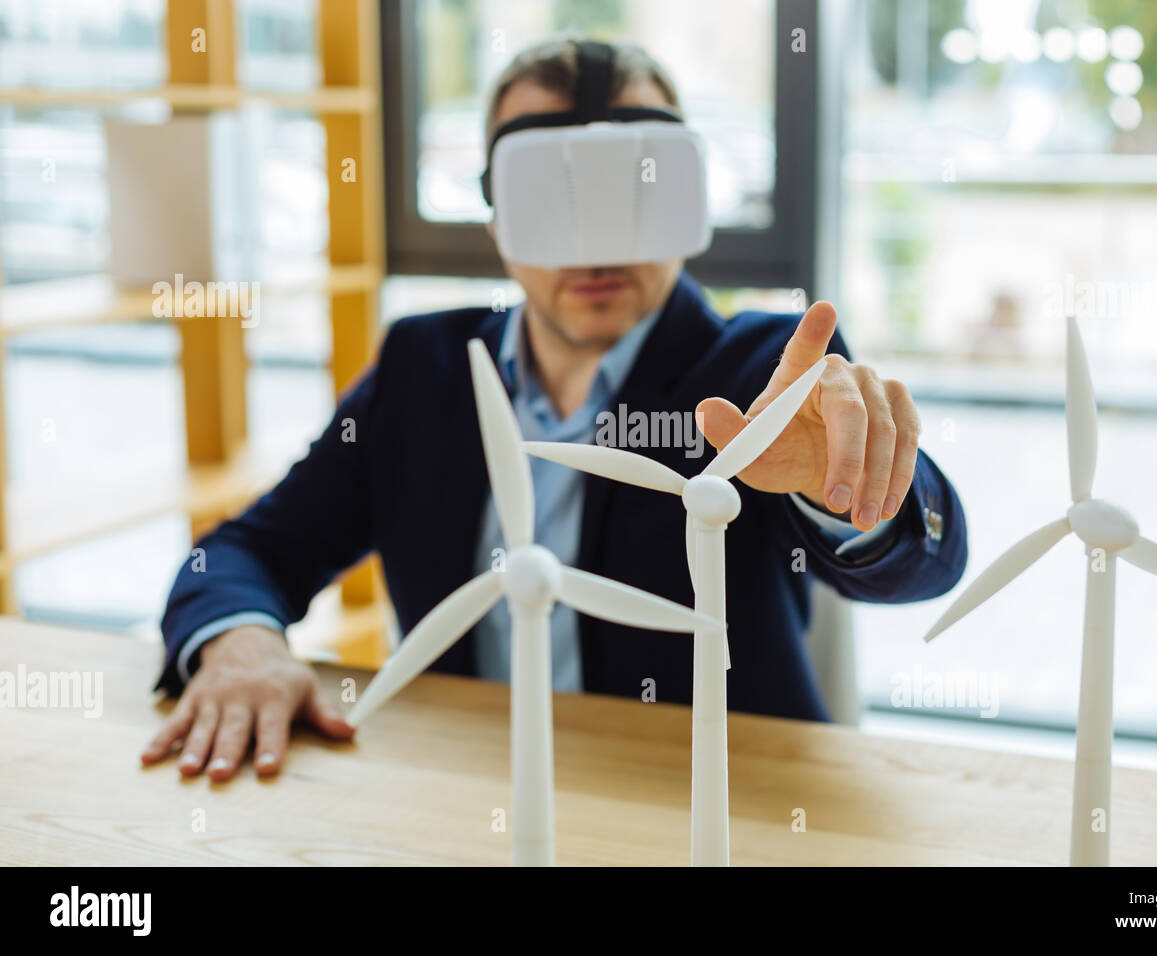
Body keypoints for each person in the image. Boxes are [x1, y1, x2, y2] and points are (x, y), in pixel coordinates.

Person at [142, 38, 967, 782]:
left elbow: (923, 558)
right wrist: (240, 641)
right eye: (551, 189)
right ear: (497, 209)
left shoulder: (766, 371)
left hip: (716, 811)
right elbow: (248, 551)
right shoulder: (424, 368)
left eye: (631, 181)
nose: (594, 243)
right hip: (462, 798)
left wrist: (861, 491)